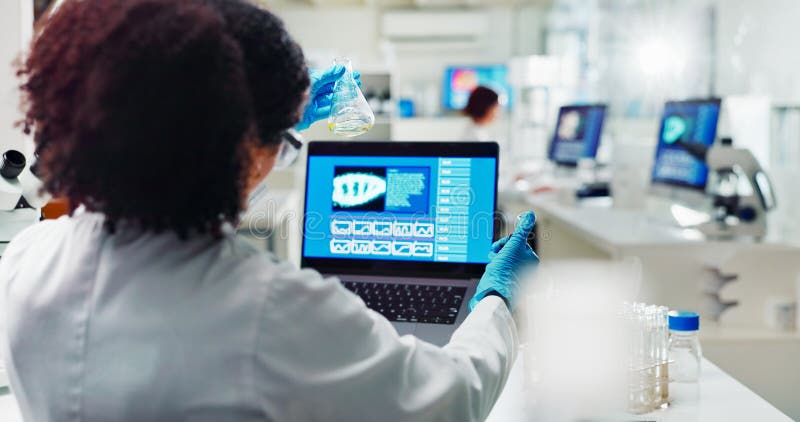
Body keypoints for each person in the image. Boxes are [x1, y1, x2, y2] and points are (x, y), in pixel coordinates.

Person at [0, 1, 539, 421]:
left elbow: (169, 203)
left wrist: (277, 131)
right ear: (240, 148)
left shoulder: (30, 259)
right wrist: (496, 300)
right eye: (276, 139)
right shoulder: (271, 312)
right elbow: (451, 399)